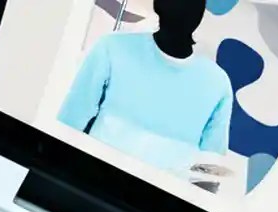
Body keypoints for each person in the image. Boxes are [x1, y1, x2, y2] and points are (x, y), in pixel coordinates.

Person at [59, 0, 234, 177]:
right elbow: (69, 123)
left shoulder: (218, 83)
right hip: (91, 179)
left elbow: (209, 169)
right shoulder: (113, 47)